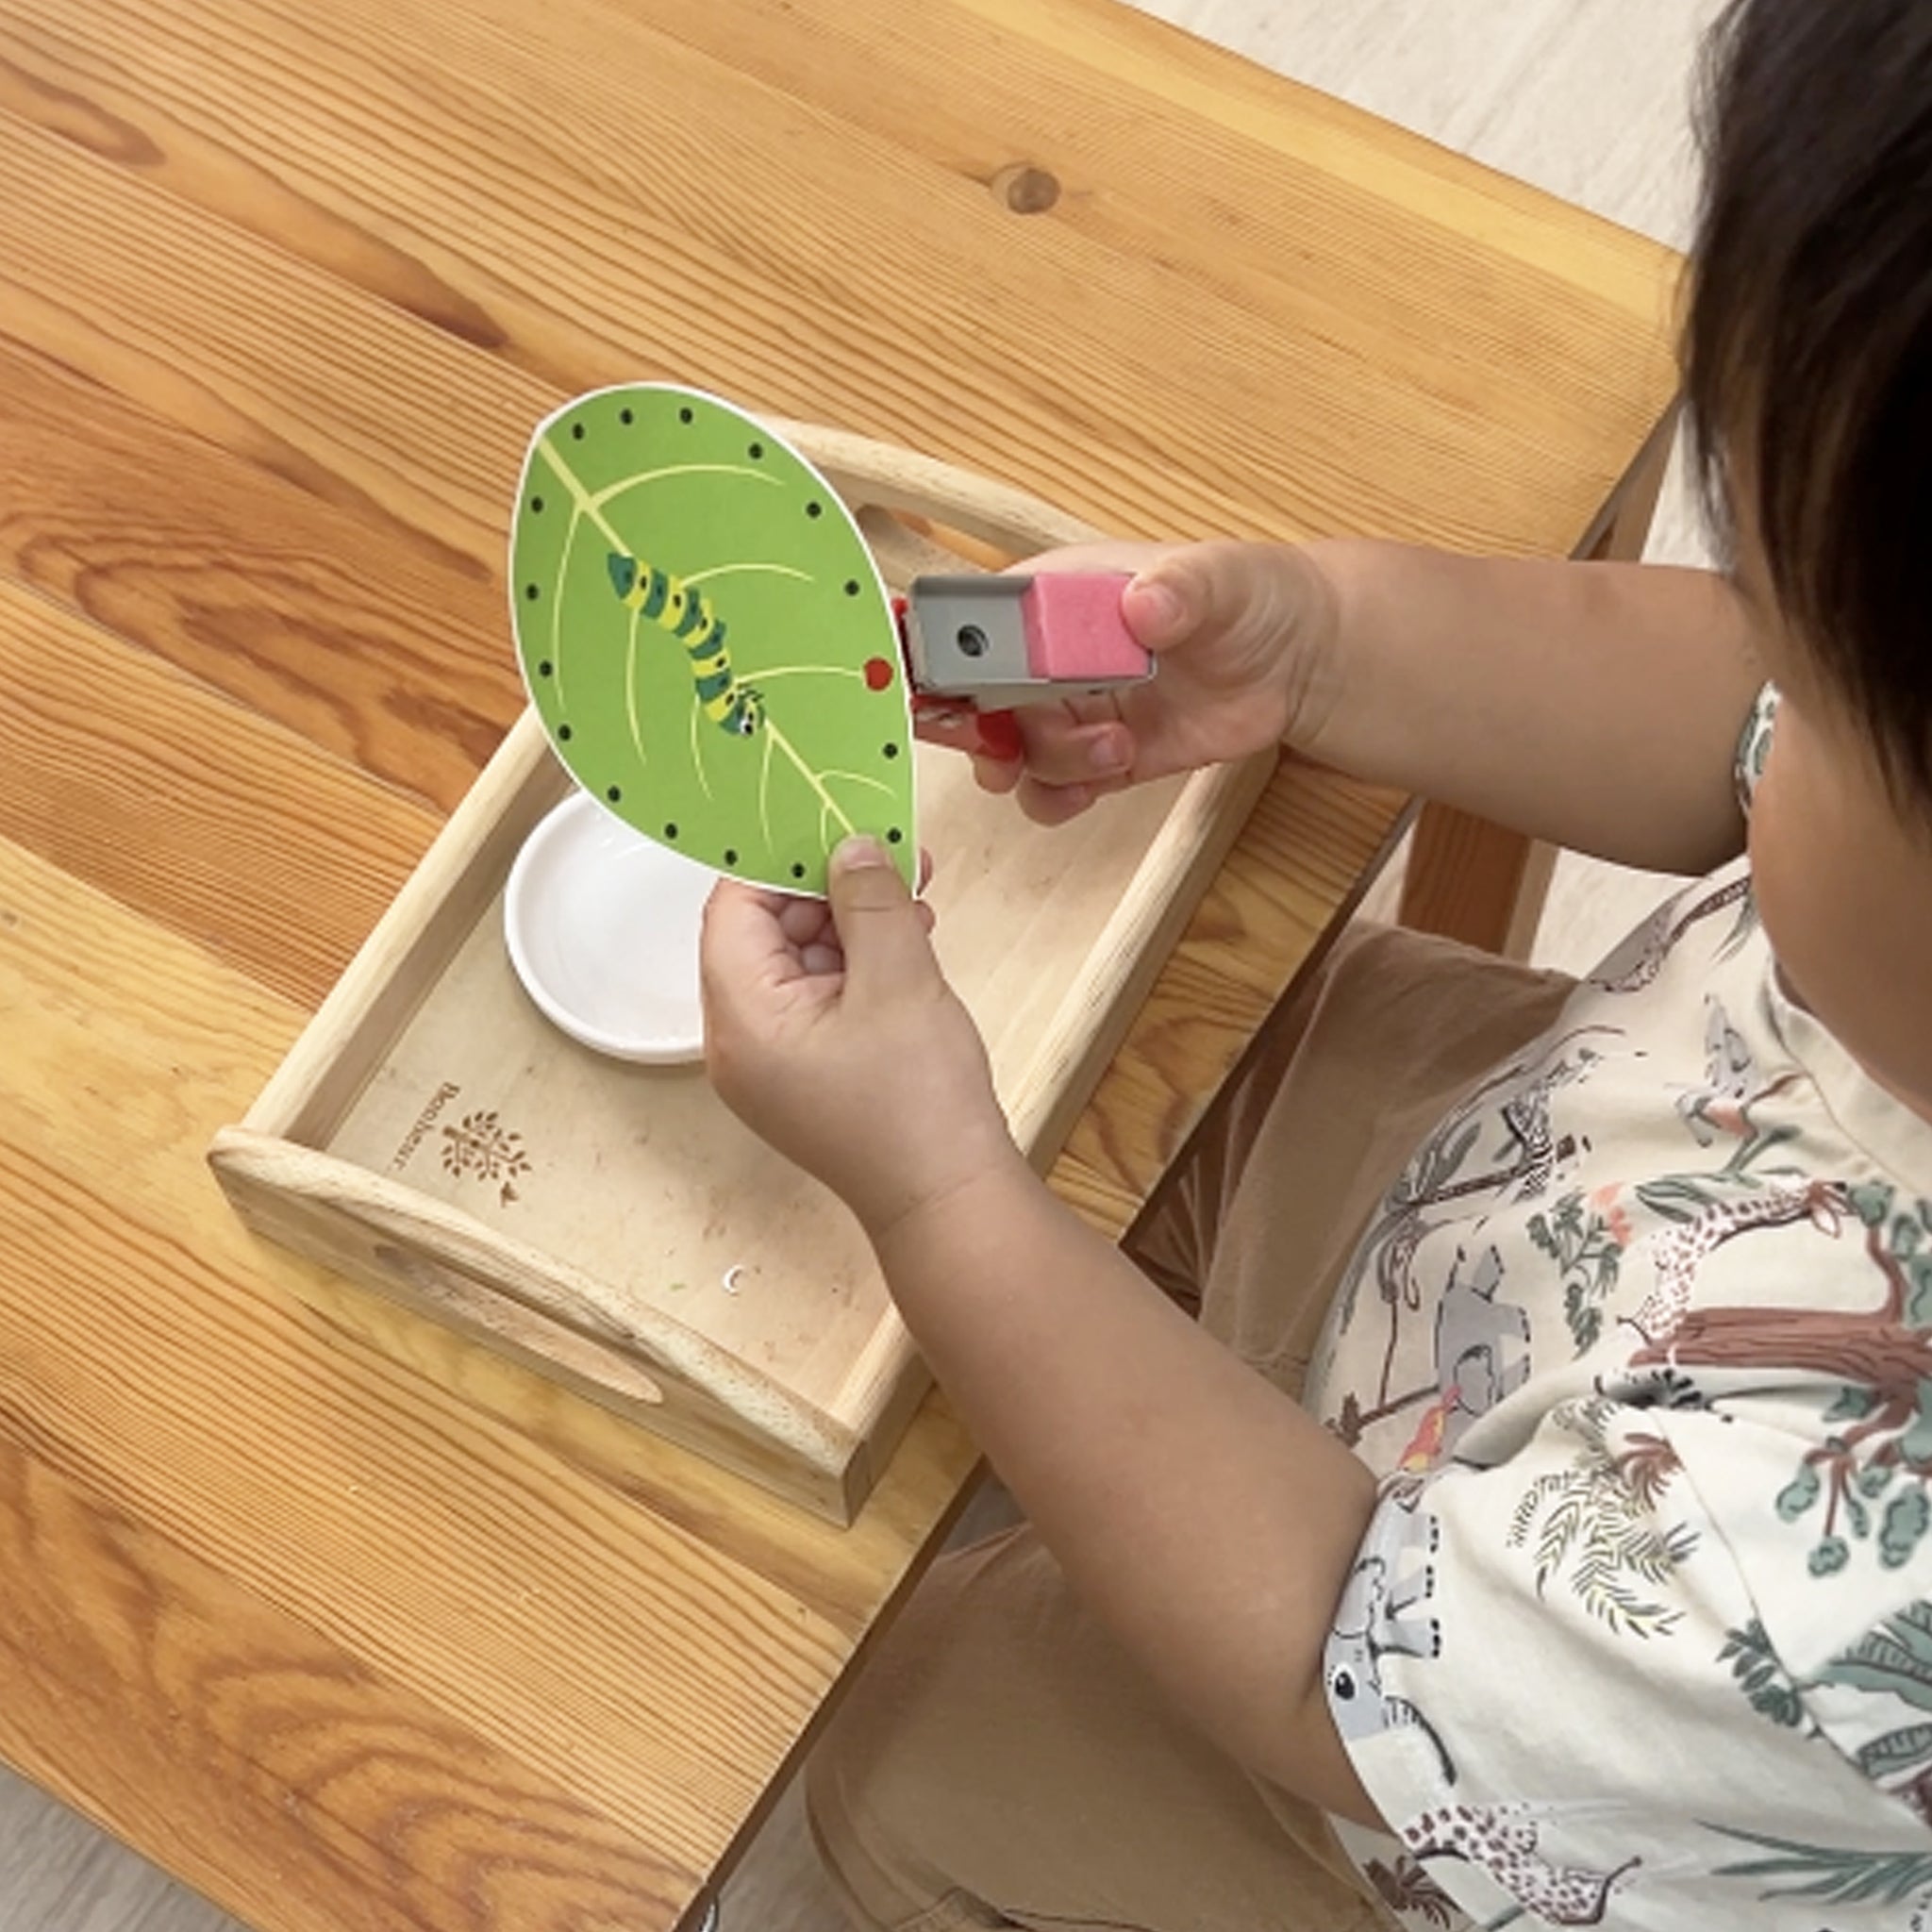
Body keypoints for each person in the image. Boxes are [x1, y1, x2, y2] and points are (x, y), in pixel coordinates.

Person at [698, 0, 1932, 1924]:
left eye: (1810, 666)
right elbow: (1726, 725)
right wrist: (1323, 649)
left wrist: (939, 1196)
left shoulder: (1845, 1597)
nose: (1770, 680)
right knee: (1247, 1040)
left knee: (898, 1733)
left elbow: (1327, 1661)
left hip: (1427, 1758)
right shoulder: (1892, 829)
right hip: (1536, 1189)